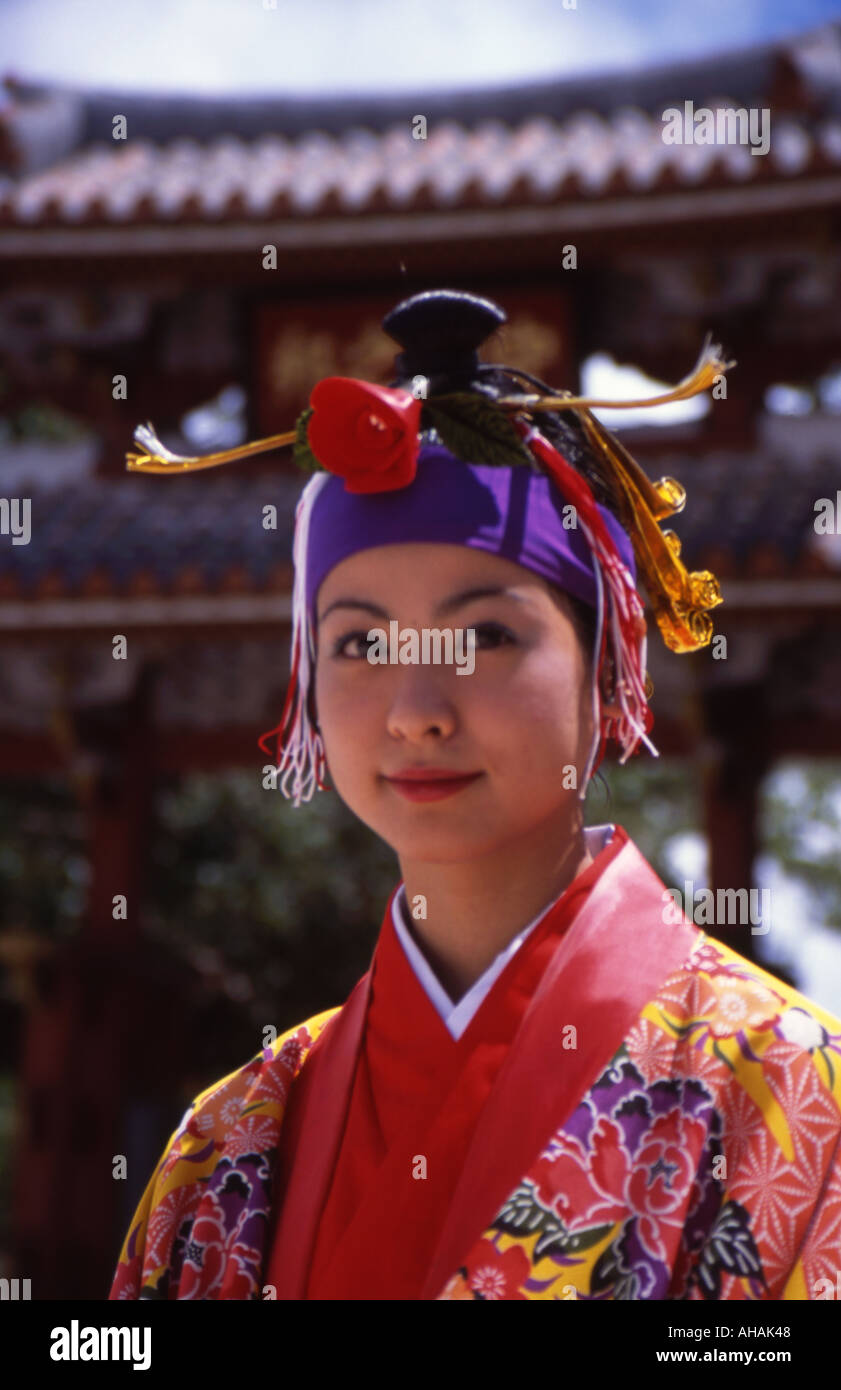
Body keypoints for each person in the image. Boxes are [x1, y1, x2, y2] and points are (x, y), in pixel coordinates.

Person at [110, 289, 841, 1301]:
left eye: (486, 635)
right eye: (360, 643)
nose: (415, 709)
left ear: (605, 669)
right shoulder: (229, 1139)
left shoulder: (786, 1092)